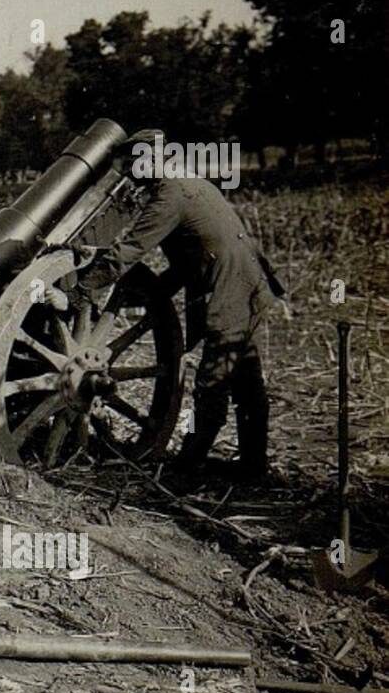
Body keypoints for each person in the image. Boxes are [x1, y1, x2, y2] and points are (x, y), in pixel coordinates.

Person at [77, 159, 283, 481]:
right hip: (249, 283)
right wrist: (156, 293)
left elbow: (132, 249)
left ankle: (187, 470)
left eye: (135, 167)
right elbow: (195, 256)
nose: (132, 177)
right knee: (247, 383)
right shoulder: (191, 183)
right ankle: (253, 467)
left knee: (211, 385)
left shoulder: (169, 196)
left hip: (230, 290)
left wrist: (83, 286)